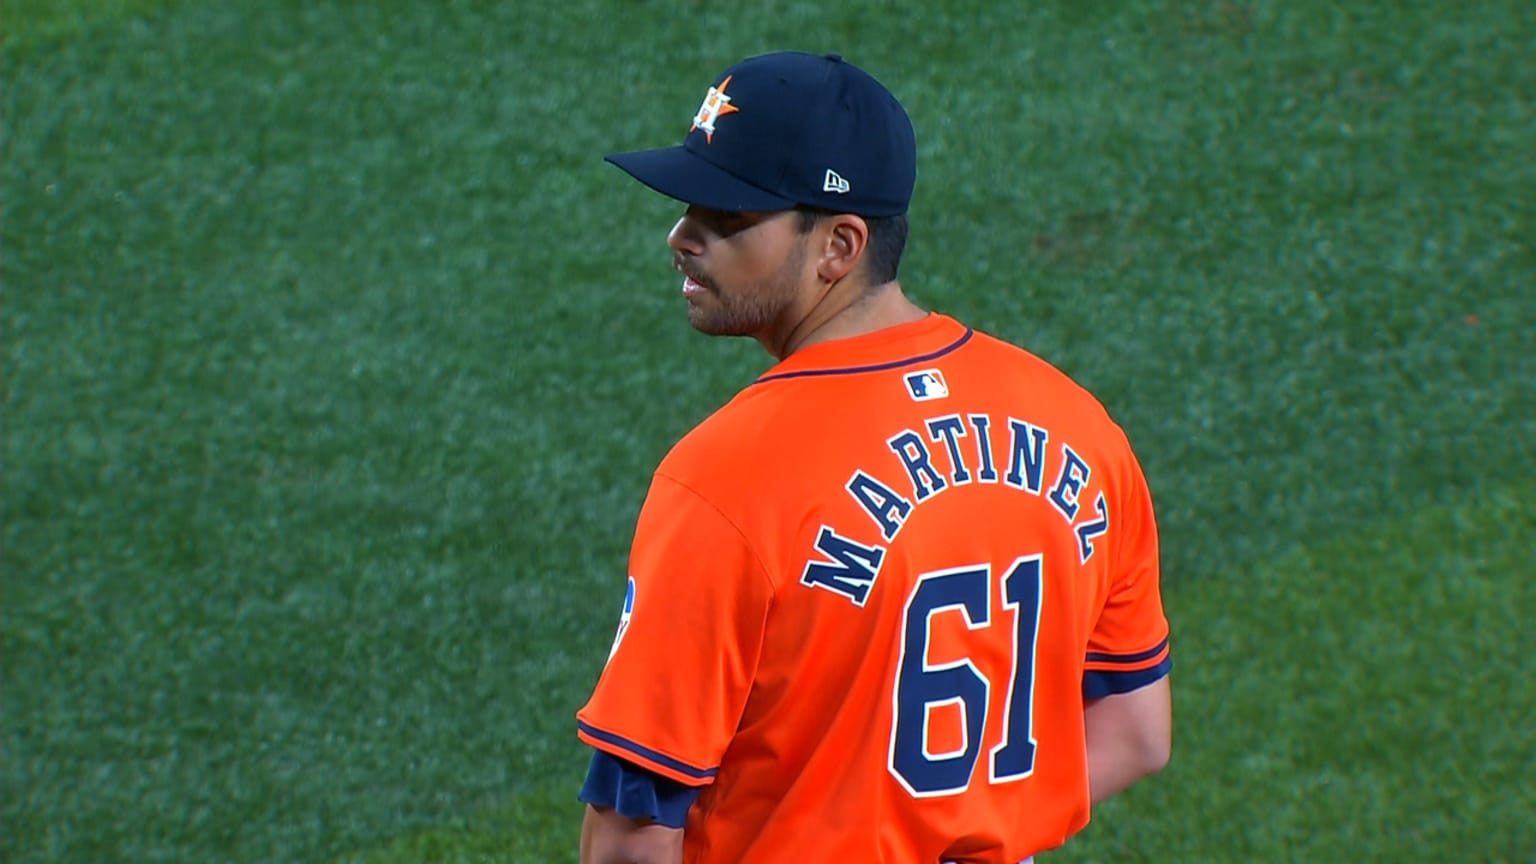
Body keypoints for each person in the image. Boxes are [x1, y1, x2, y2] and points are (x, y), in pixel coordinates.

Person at [574, 51, 1172, 864]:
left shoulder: (724, 479)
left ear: (838, 245)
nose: (682, 237)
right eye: (690, 206)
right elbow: (1136, 733)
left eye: (729, 216)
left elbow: (630, 836)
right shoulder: (1078, 426)